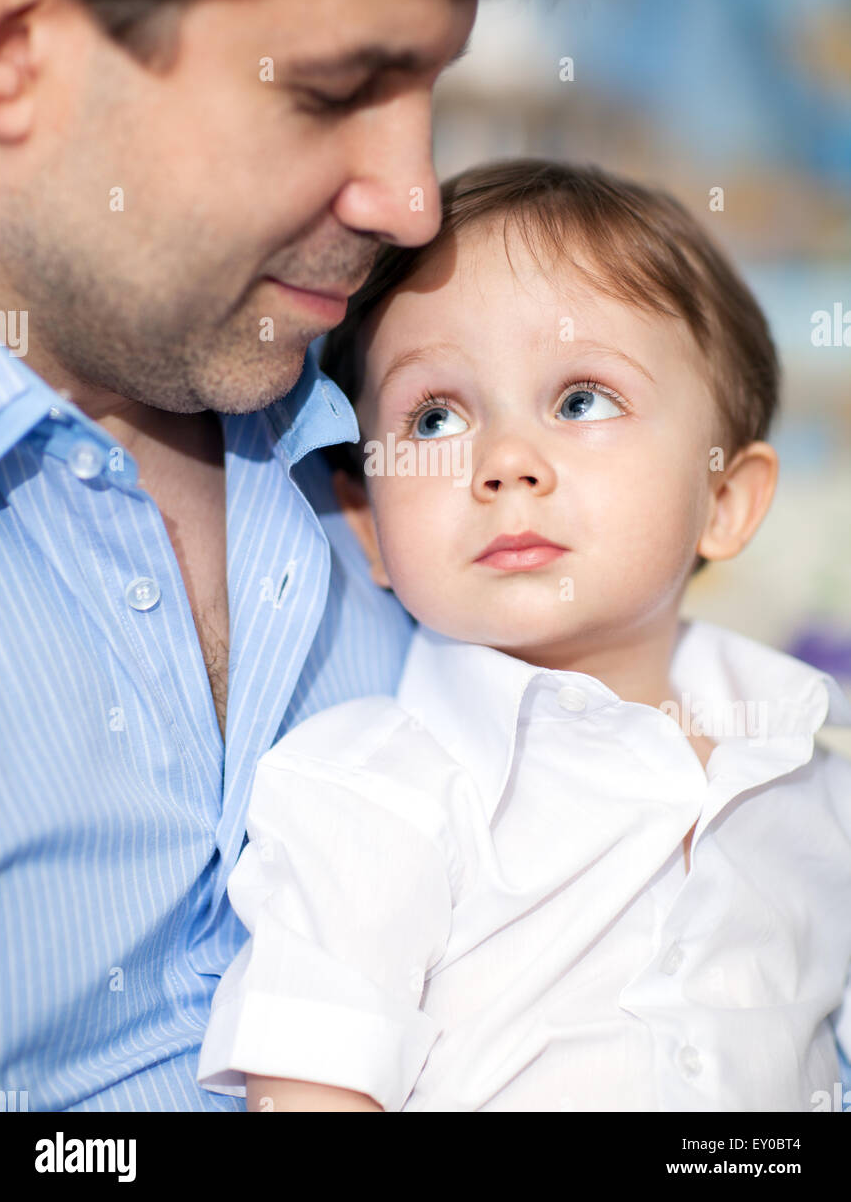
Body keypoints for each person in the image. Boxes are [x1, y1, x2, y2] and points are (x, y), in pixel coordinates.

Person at [0, 0, 626, 1111]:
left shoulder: (431, 407)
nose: (412, 200)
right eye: (333, 93)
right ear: (12, 46)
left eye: (429, 90)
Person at [197, 159, 851, 1113]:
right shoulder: (374, 790)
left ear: (723, 499)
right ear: (371, 525)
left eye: (582, 399)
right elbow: (314, 1091)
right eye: (436, 416)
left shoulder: (805, 770)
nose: (505, 462)